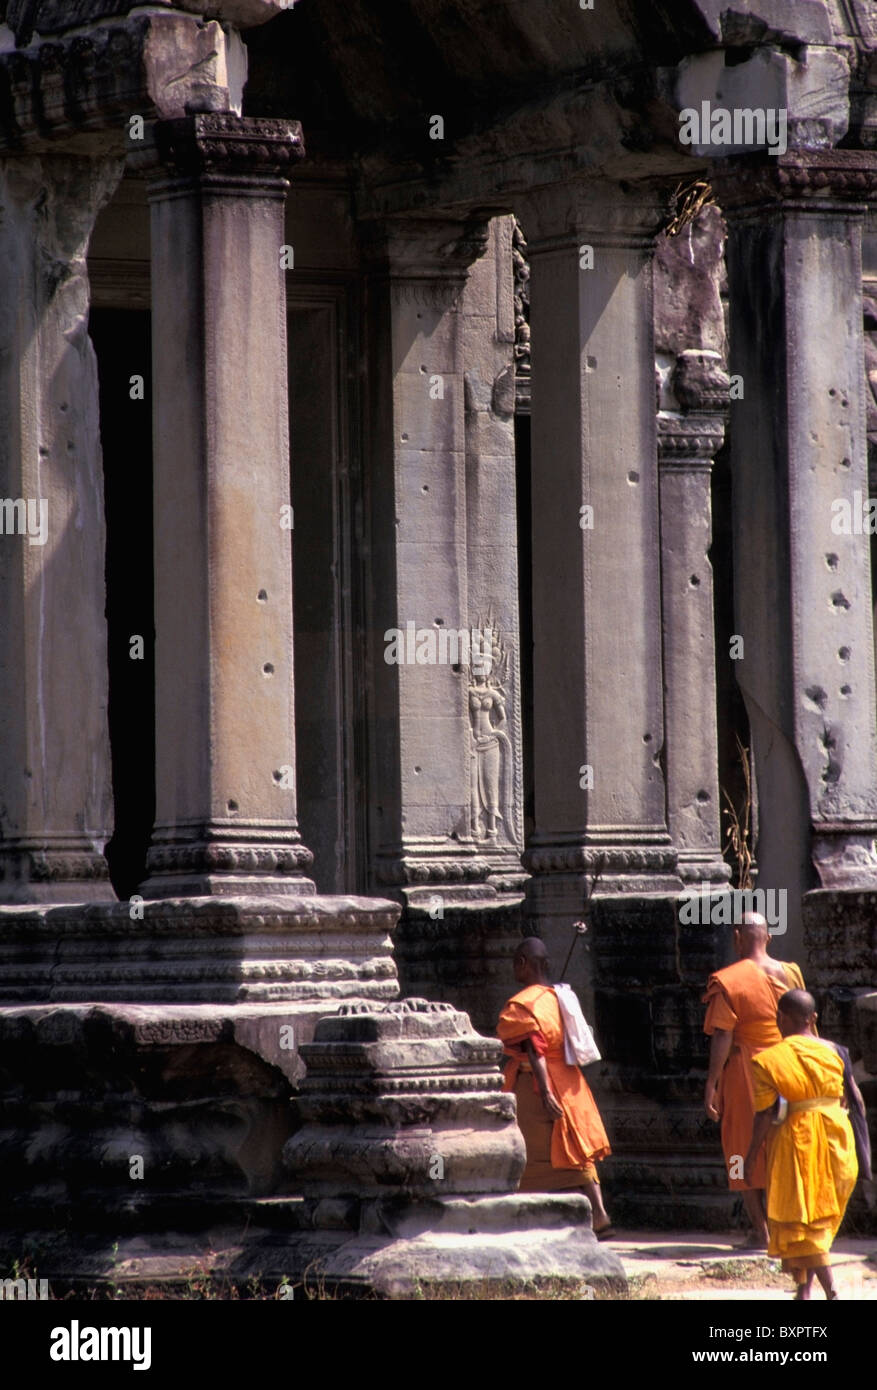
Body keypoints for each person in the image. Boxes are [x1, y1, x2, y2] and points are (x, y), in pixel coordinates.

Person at [744, 990, 861, 1299]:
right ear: (814, 1018)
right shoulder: (836, 1051)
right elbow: (855, 1098)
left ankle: (831, 1290)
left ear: (780, 1018)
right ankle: (802, 1289)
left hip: (796, 1142)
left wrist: (750, 1156)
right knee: (810, 1219)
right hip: (838, 1138)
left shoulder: (768, 1060)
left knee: (805, 1221)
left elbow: (765, 1114)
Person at [496, 937, 613, 1237]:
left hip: (539, 1087)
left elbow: (535, 1049)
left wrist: (545, 1091)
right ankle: (597, 1213)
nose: (514, 969)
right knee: (575, 1148)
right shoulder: (560, 998)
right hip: (571, 1082)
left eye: (514, 963)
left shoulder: (526, 1004)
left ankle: (528, 1217)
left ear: (522, 963)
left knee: (528, 1151)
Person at [702, 913, 806, 1247]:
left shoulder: (728, 979)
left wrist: (711, 1084)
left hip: (747, 1070)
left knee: (737, 1148)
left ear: (737, 938)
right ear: (769, 939)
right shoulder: (791, 973)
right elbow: (807, 1026)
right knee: (781, 1145)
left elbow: (722, 1035)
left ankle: (761, 1230)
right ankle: (783, 1224)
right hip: (790, 1066)